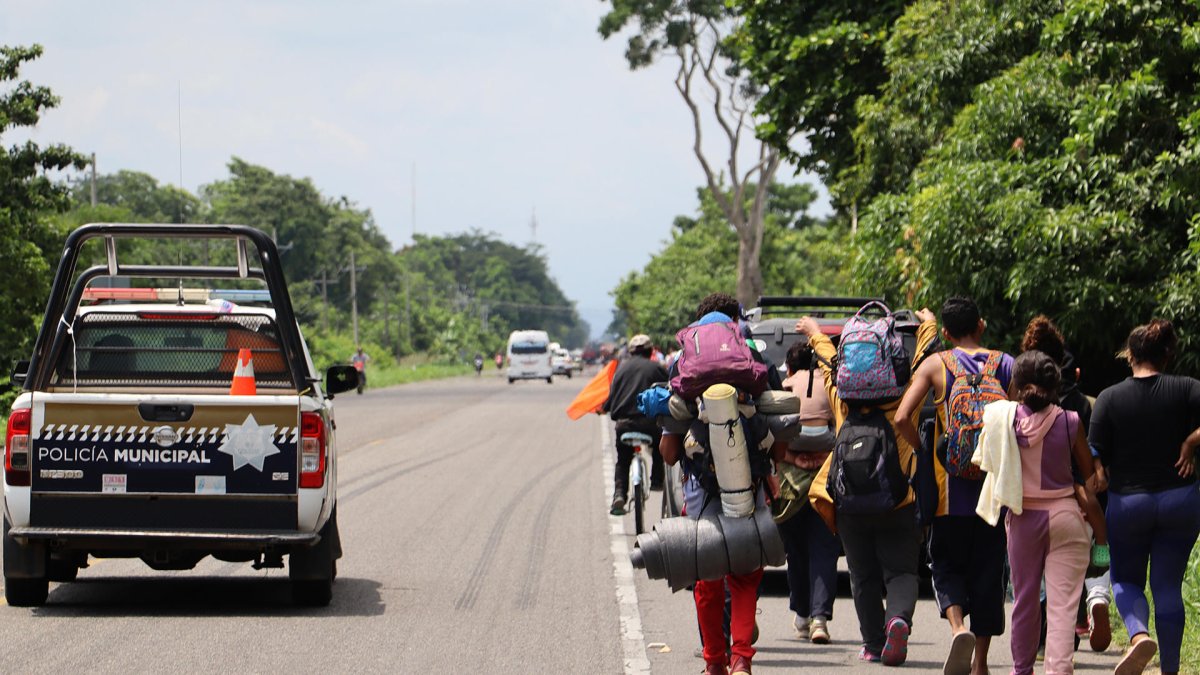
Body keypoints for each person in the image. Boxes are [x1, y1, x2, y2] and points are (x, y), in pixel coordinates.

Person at [803, 307, 939, 666]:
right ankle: (898, 619)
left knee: (862, 576)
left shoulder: (842, 402)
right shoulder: (906, 395)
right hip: (899, 500)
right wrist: (928, 325)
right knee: (902, 572)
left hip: (849, 502)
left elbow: (827, 363)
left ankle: (874, 644)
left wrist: (815, 332)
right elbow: (926, 354)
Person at [659, 292, 781, 675]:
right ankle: (742, 659)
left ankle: (714, 663)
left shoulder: (684, 360)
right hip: (750, 482)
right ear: (736, 323)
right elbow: (776, 423)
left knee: (707, 581)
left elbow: (668, 451)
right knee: (745, 576)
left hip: (700, 489)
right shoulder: (753, 352)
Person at [894, 296, 1013, 675]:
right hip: (994, 490)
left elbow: (901, 418)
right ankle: (980, 663)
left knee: (945, 564)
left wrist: (925, 450)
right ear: (981, 325)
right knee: (989, 571)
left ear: (944, 333)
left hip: (950, 491)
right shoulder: (1005, 364)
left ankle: (957, 626)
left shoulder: (935, 364)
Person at [1088, 319, 1200, 675]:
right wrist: (1190, 441)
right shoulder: (1188, 388)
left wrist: (1100, 471)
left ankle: (1138, 636)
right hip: (1180, 499)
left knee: (1125, 580)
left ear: (1130, 355)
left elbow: (1092, 451)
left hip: (1129, 503)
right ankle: (1169, 670)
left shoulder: (1109, 397)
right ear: (1167, 355)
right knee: (1168, 584)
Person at [988, 350, 1096, 675]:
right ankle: (1059, 670)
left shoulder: (1002, 419)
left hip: (1023, 519)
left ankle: (1022, 670)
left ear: (1016, 385)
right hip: (1065, 516)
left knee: (1025, 602)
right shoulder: (1070, 421)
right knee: (1062, 607)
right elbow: (1088, 474)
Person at [1020, 316, 1112, 652]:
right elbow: (1089, 459)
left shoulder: (1017, 404)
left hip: (1029, 500)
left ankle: (1035, 642)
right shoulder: (1076, 405)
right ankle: (1078, 617)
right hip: (1073, 497)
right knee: (1067, 574)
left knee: (1032, 580)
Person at [777, 340, 840, 645]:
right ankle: (819, 619)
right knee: (824, 550)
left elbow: (773, 440)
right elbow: (840, 430)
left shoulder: (785, 386)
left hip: (791, 486)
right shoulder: (829, 386)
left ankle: (802, 615)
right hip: (824, 482)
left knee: (796, 552)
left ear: (788, 367)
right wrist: (823, 459)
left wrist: (795, 459)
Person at [601, 334, 668, 515]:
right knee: (659, 448)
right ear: (650, 351)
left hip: (624, 424)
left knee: (623, 460)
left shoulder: (620, 370)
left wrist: (603, 408)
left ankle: (619, 494)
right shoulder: (657, 368)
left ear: (630, 352)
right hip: (650, 424)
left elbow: (613, 397)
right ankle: (656, 481)